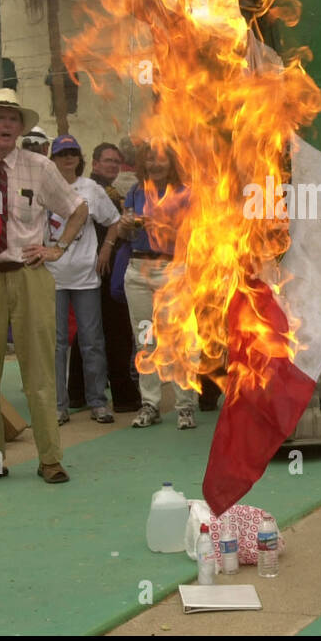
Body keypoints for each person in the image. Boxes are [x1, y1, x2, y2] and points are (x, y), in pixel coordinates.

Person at [0, 89, 90, 486]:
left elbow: (78, 208)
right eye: (0, 118)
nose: (7, 125)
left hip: (29, 273)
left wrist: (57, 248)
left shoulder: (39, 167)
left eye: (13, 119)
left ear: (22, 127)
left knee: (39, 372)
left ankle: (50, 459)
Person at [115, 141, 199, 430]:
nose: (155, 164)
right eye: (149, 159)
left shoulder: (186, 194)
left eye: (161, 159)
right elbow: (123, 231)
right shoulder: (135, 192)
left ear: (172, 162)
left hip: (172, 269)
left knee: (178, 340)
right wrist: (126, 225)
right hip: (138, 271)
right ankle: (150, 403)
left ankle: (185, 406)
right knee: (145, 340)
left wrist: (163, 226)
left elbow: (197, 234)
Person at [46, 135, 119, 425]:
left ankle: (98, 402)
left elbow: (113, 222)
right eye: (62, 153)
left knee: (92, 341)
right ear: (53, 157)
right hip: (51, 276)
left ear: (80, 157)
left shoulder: (90, 188)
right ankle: (57, 405)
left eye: (73, 152)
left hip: (86, 275)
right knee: (57, 342)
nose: (67, 158)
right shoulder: (44, 186)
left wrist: (106, 248)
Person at [85, 142, 141, 413]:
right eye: (107, 161)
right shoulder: (99, 191)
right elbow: (116, 227)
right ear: (94, 163)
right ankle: (124, 395)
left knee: (92, 331)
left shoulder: (106, 190)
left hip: (96, 266)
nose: (112, 166)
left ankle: (78, 391)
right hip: (104, 266)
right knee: (116, 331)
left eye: (116, 161)